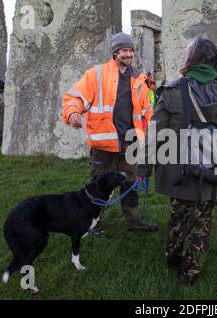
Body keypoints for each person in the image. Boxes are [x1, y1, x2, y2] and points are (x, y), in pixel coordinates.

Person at [137, 37, 217, 285]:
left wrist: (143, 170)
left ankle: (173, 257)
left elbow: (154, 136)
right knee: (201, 221)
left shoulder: (171, 90)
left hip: (178, 169)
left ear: (191, 59)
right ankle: (190, 273)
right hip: (211, 168)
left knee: (178, 215)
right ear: (214, 60)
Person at [62, 32, 158, 235]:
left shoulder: (140, 79)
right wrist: (72, 113)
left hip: (130, 142)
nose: (128, 54)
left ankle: (133, 221)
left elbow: (147, 108)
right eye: (124, 50)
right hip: (103, 145)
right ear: (115, 53)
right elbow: (75, 96)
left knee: (131, 184)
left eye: (131, 50)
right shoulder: (96, 74)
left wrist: (154, 125)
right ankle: (94, 223)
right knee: (99, 186)